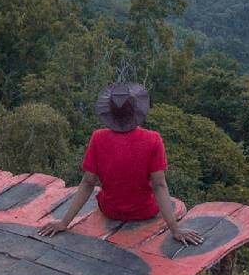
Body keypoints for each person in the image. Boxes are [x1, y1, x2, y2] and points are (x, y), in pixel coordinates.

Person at [37, 82, 202, 244]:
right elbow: (159, 185)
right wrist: (175, 228)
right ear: (137, 111)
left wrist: (64, 223)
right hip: (145, 211)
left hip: (111, 211)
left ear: (110, 113)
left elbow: (88, 183)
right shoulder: (153, 139)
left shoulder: (98, 138)